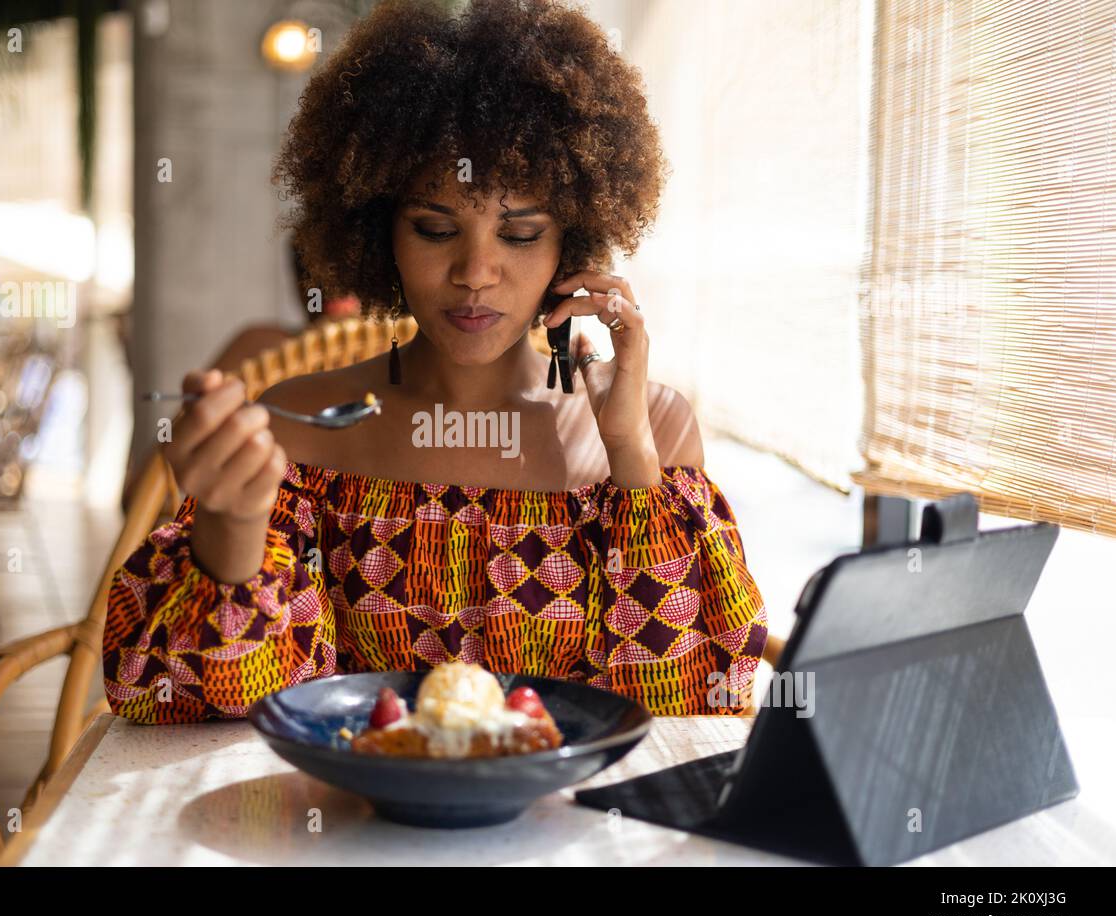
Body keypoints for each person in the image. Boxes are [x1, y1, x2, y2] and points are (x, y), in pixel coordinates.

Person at [102, 0, 769, 724]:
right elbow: (199, 705)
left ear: (571, 242)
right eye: (434, 227)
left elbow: (697, 704)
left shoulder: (655, 428)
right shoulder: (303, 428)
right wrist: (232, 528)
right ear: (376, 231)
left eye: (518, 233)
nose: (475, 271)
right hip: (352, 828)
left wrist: (629, 454)